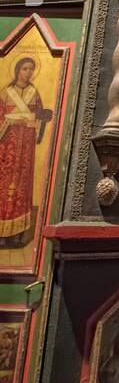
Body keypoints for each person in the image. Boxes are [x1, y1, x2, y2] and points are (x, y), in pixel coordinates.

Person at [0, 56, 53, 248]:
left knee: (23, 184)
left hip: (26, 146)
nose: (28, 72)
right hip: (7, 146)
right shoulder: (6, 93)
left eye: (31, 69)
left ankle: (18, 232)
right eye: (24, 69)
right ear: (17, 71)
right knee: (3, 186)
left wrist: (41, 119)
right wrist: (12, 121)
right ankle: (2, 233)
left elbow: (40, 116)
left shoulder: (34, 92)